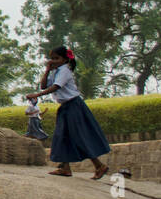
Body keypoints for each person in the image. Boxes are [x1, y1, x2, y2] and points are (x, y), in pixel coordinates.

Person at [27, 46, 110, 180]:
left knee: (79, 136)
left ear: (65, 60)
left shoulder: (64, 71)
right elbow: (44, 85)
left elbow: (56, 86)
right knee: (62, 136)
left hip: (74, 106)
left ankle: (99, 165)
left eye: (56, 58)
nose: (53, 61)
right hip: (65, 107)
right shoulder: (55, 72)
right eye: (51, 58)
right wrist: (47, 70)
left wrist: (37, 95)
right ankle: (65, 167)